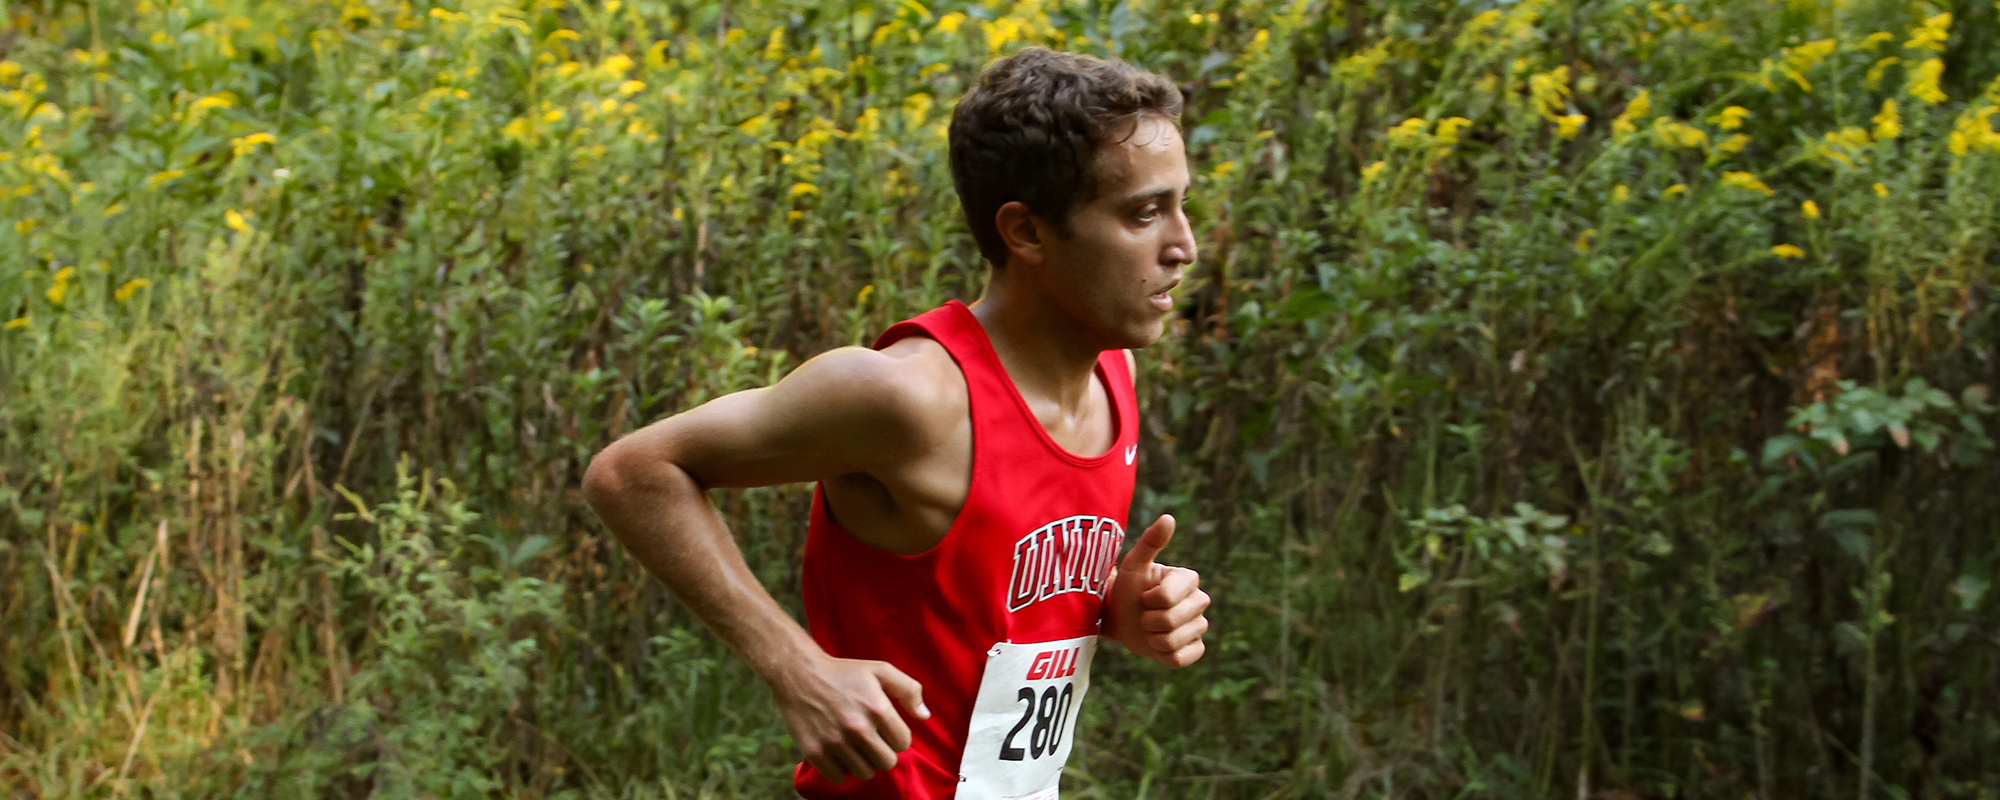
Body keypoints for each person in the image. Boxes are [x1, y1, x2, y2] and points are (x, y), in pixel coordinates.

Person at [583, 47, 1210, 799]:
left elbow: (983, 581)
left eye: (1180, 205)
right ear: (1027, 233)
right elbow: (632, 472)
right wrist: (796, 665)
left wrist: (1115, 610)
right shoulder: (908, 396)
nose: (1184, 246)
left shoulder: (1115, 374)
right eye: (1143, 213)